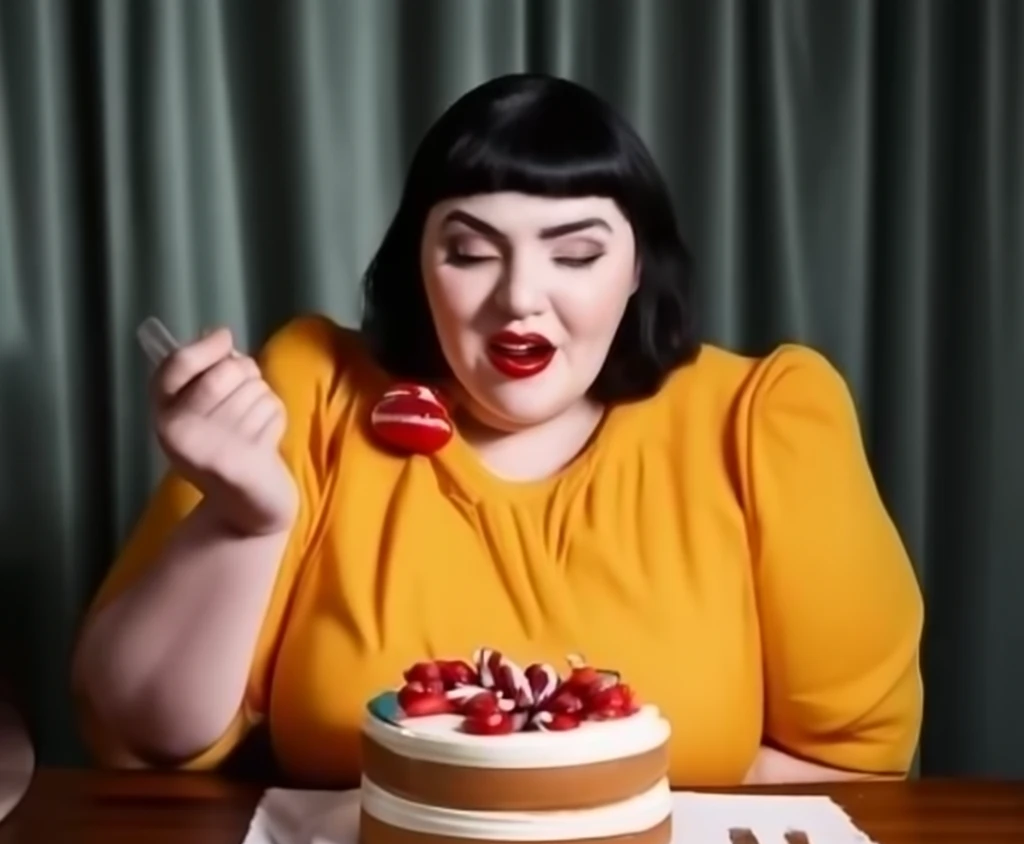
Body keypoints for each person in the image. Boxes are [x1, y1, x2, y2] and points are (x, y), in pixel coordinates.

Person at [71, 73, 923, 787]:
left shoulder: (765, 419)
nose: (519, 297)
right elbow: (142, 737)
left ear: (637, 268)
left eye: (576, 254)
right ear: (418, 265)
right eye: (471, 253)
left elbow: (856, 766)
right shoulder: (314, 390)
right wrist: (243, 520)